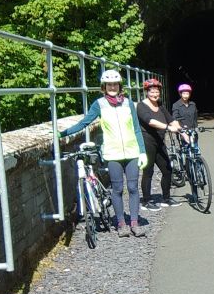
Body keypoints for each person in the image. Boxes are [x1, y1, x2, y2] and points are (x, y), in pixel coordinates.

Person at [59, 69, 149, 237]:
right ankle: (121, 224)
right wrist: (63, 134)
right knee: (117, 188)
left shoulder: (129, 103)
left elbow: (137, 129)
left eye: (115, 84)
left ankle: (135, 223)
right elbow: (84, 123)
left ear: (120, 86)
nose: (112, 87)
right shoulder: (99, 104)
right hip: (113, 153)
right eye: (109, 85)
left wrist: (142, 151)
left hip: (132, 151)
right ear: (104, 86)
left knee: (133, 188)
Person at [137, 78, 181, 209]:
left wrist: (182, 132)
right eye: (152, 92)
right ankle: (146, 201)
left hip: (159, 141)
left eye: (157, 92)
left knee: (167, 170)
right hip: (148, 142)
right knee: (148, 171)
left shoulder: (160, 105)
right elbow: (150, 121)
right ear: (146, 92)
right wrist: (168, 128)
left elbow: (171, 119)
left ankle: (166, 198)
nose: (155, 94)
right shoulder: (141, 106)